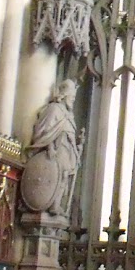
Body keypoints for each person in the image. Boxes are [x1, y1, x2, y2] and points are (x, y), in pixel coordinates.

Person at [19, 79, 81, 218]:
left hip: (66, 149)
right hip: (55, 150)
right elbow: (45, 131)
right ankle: (49, 203)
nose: (73, 99)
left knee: (64, 176)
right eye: (72, 96)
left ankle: (56, 204)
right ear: (64, 95)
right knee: (57, 174)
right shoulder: (54, 109)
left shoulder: (68, 114)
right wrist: (49, 146)